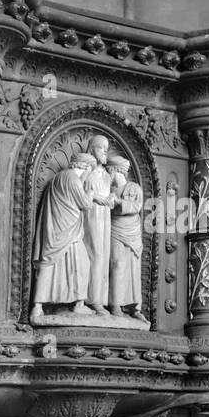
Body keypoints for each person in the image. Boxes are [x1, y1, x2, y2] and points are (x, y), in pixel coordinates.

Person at [31, 152, 98, 320]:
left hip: (57, 229)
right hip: (67, 231)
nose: (90, 175)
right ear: (85, 167)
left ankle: (38, 307)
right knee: (83, 265)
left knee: (53, 266)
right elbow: (85, 203)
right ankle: (78, 304)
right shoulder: (72, 178)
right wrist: (90, 190)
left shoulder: (59, 178)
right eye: (90, 171)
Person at [107, 154, 148, 323]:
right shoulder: (109, 190)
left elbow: (137, 206)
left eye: (110, 171)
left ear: (117, 171)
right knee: (116, 264)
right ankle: (115, 304)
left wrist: (118, 203)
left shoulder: (133, 187)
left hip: (131, 231)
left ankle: (134, 307)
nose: (108, 175)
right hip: (114, 229)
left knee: (132, 269)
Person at [82, 134, 117, 314]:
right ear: (92, 149)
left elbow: (111, 191)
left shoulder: (106, 173)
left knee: (104, 255)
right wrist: (99, 199)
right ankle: (91, 299)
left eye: (106, 148)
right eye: (101, 148)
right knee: (94, 253)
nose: (105, 152)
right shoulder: (87, 171)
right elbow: (82, 194)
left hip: (105, 215)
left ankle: (101, 300)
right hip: (91, 214)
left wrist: (111, 197)